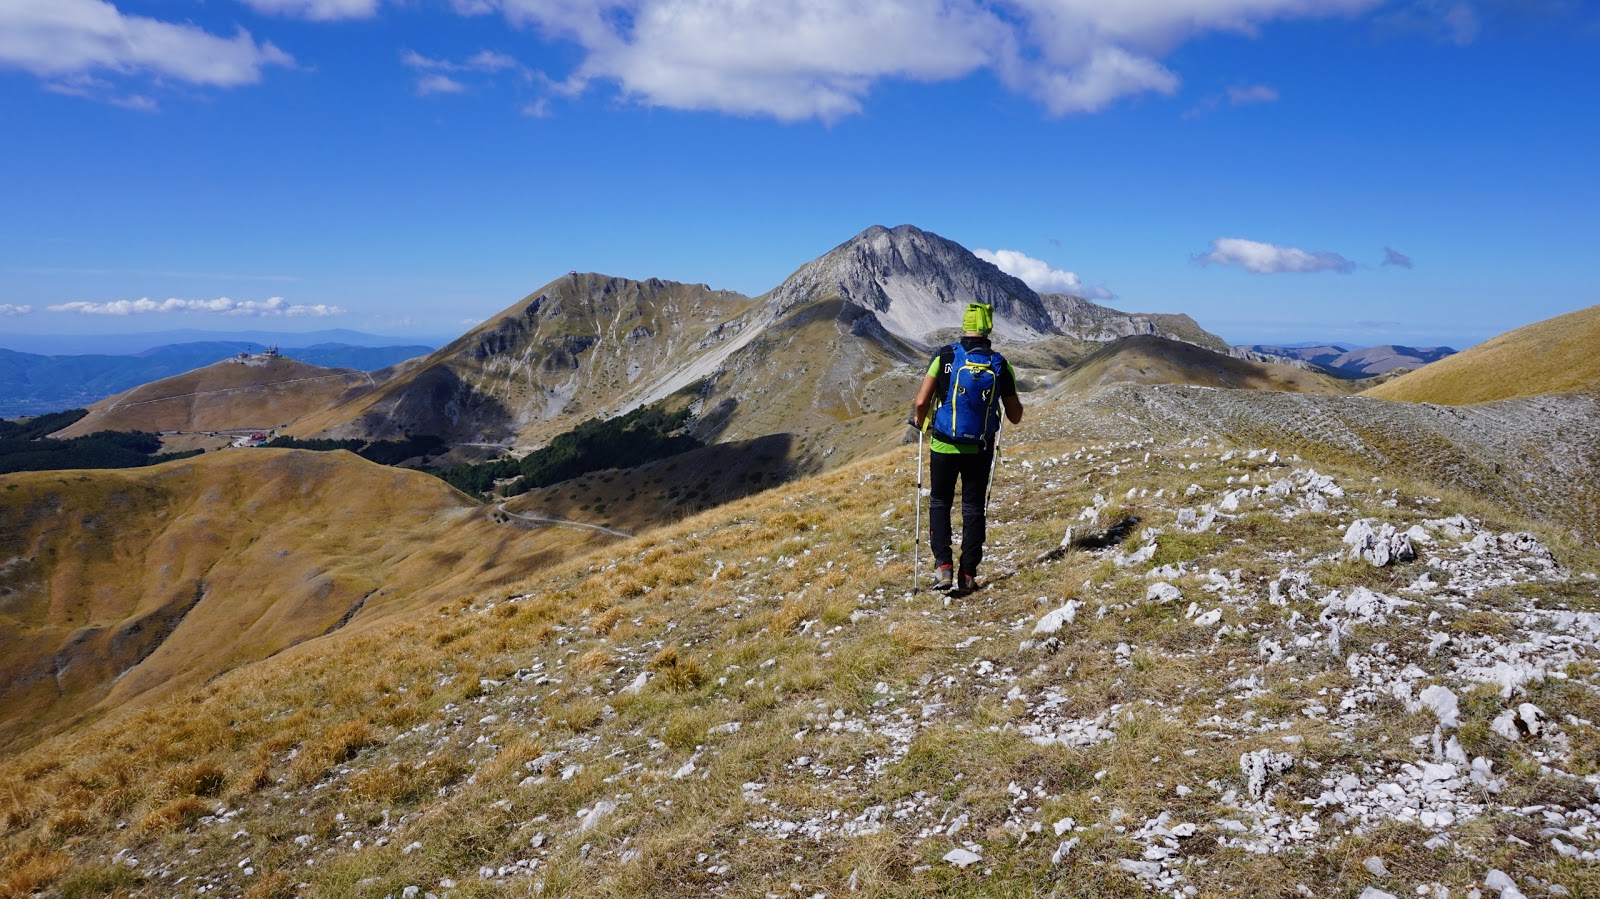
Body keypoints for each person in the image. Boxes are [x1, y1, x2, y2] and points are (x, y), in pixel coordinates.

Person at [910, 303, 1024, 593]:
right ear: (988, 329)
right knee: (973, 507)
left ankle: (943, 567)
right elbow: (1015, 415)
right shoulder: (1000, 363)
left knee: (940, 502)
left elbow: (922, 401)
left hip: (944, 444)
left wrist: (919, 421)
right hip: (979, 449)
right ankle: (968, 574)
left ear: (965, 326)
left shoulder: (945, 356)